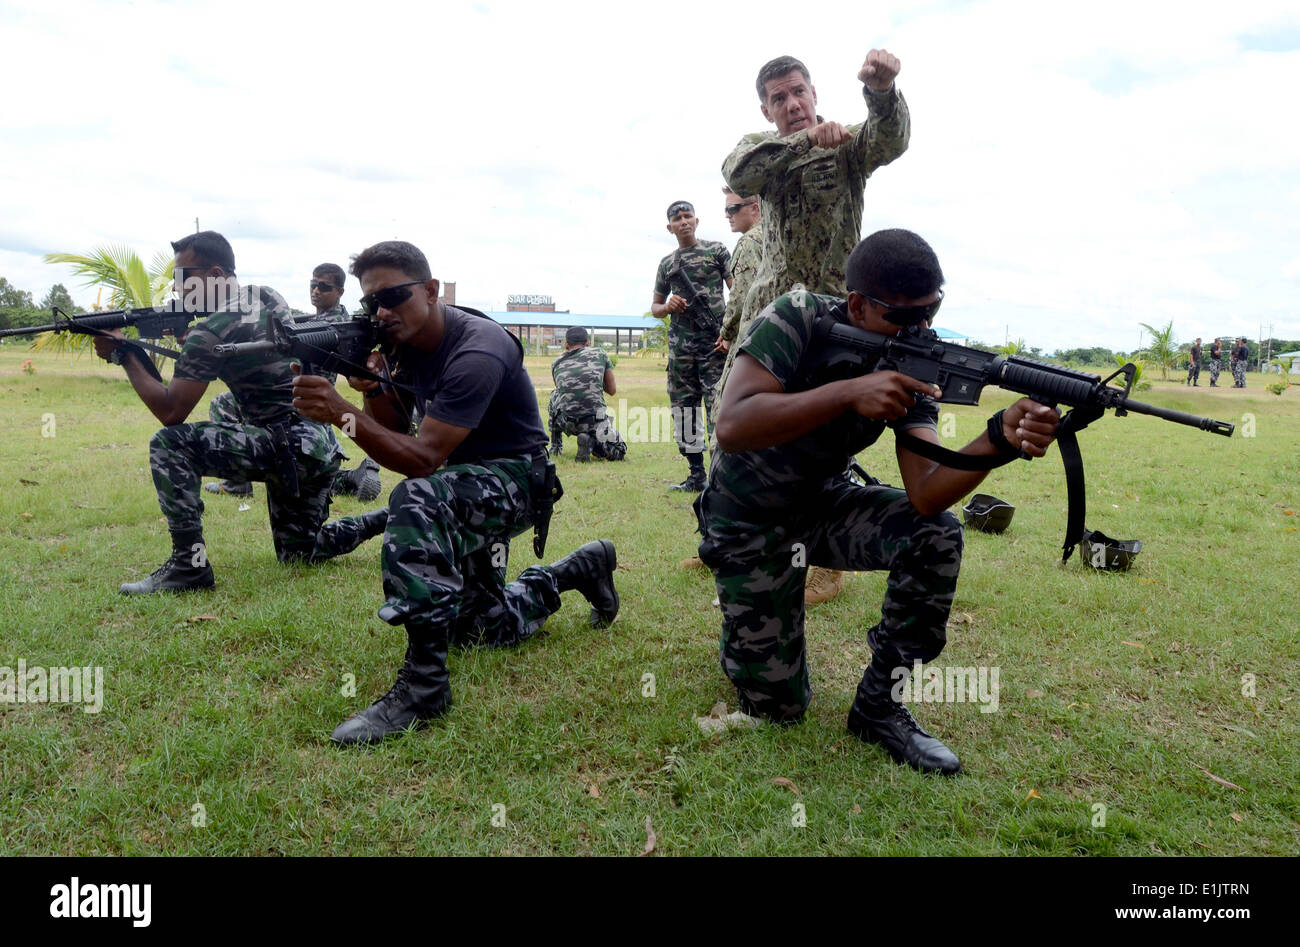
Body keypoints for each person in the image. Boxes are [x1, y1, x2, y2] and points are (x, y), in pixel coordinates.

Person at [696, 230, 1060, 775]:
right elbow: (732, 425)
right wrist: (849, 393)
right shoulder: (797, 317)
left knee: (935, 531)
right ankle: (748, 619)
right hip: (749, 517)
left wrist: (997, 442)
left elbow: (927, 492)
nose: (919, 330)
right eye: (901, 316)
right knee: (779, 709)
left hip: (823, 505)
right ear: (858, 304)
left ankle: (878, 707)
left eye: (930, 313)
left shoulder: (912, 357)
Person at [290, 241, 620, 746]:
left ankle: (424, 687)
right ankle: (578, 568)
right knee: (484, 628)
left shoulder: (479, 347)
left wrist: (339, 412)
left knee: (416, 496)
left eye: (393, 296)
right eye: (370, 303)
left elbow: (421, 459)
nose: (382, 312)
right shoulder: (403, 346)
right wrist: (373, 389)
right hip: (464, 483)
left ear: (430, 290)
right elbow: (397, 432)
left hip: (515, 481)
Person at [91, 232, 386, 594]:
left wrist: (124, 354)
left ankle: (189, 566)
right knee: (300, 552)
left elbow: (171, 411)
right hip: (316, 445)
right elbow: (247, 343)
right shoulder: (266, 295)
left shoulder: (210, 330)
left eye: (184, 277)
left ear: (214, 274)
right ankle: (385, 518)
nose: (177, 288)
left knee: (170, 445)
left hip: (284, 447)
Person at [721, 49, 910, 605]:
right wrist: (805, 141)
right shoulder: (768, 154)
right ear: (766, 107)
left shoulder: (848, 146)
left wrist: (880, 91)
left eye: (799, 91)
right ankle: (727, 530)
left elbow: (891, 140)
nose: (792, 104)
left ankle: (825, 565)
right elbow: (737, 173)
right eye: (779, 98)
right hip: (771, 316)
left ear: (815, 93)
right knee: (734, 426)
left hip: (832, 320)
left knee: (823, 434)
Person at [205, 263, 382, 501]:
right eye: (313, 285)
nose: (316, 291)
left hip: (302, 399)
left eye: (324, 287)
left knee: (223, 404)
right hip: (307, 399)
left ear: (340, 291)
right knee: (304, 473)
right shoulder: (317, 319)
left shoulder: (337, 324)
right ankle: (353, 477)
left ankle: (237, 483)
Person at [650, 200, 731, 492]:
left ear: (697, 221)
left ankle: (722, 477)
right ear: (669, 227)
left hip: (715, 345)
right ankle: (696, 474)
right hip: (681, 349)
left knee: (718, 407)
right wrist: (668, 305)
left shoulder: (717, 251)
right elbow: (655, 306)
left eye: (688, 216)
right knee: (684, 409)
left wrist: (731, 331)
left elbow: (739, 289)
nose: (683, 221)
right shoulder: (667, 264)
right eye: (677, 218)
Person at [548, 326, 626, 462]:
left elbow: (562, 391)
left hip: (567, 422)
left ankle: (555, 446)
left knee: (554, 395)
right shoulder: (600, 354)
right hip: (595, 422)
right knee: (620, 449)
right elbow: (612, 391)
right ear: (588, 343)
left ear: (566, 345)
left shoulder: (556, 363)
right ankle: (592, 443)